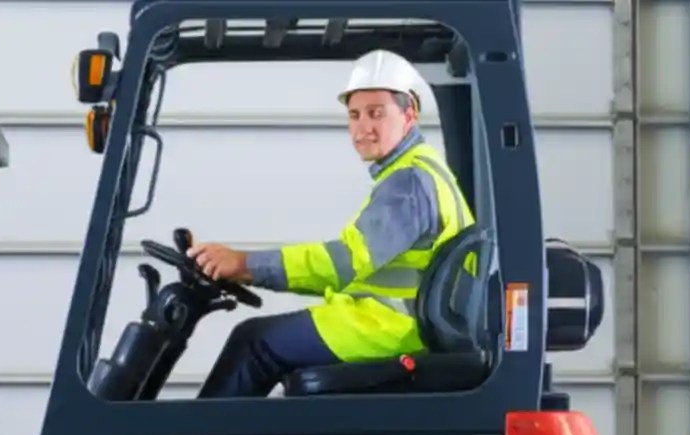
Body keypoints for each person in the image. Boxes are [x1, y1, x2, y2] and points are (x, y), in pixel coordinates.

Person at [190, 49, 476, 398]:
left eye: (376, 114)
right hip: (396, 324)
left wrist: (246, 265)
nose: (362, 128)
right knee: (258, 336)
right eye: (354, 115)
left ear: (409, 114)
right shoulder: (420, 170)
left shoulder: (409, 183)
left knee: (253, 342)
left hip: (392, 328)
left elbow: (343, 263)